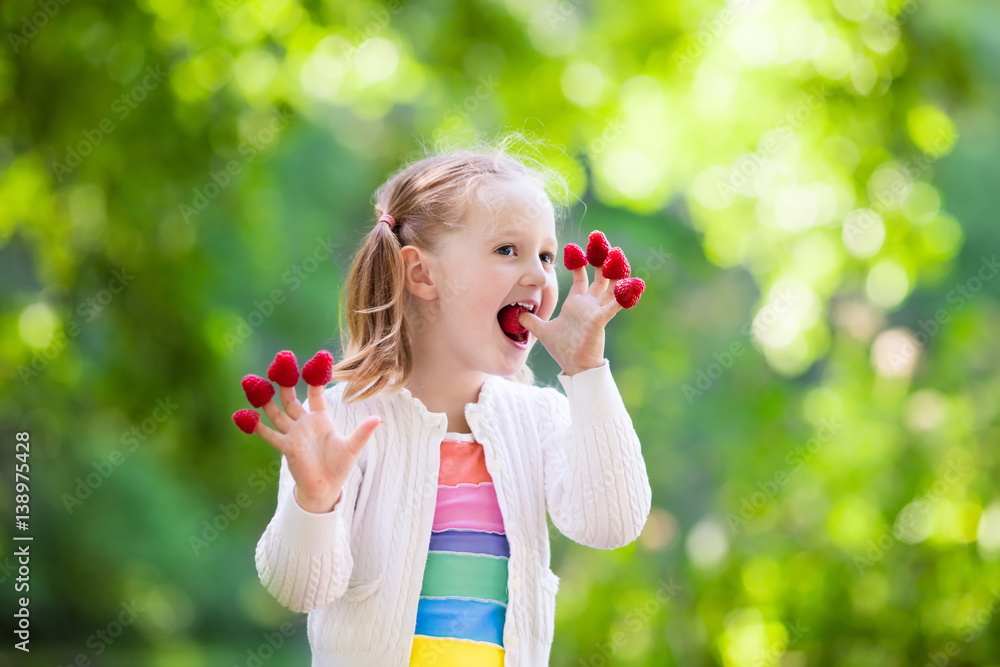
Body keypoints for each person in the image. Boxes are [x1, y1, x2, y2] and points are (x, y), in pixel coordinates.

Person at [248, 136, 653, 666]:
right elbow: (299, 589)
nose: (538, 274)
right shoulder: (346, 416)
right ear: (422, 273)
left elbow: (612, 523)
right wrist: (314, 500)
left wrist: (586, 371)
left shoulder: (540, 418)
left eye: (547, 255)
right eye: (508, 250)